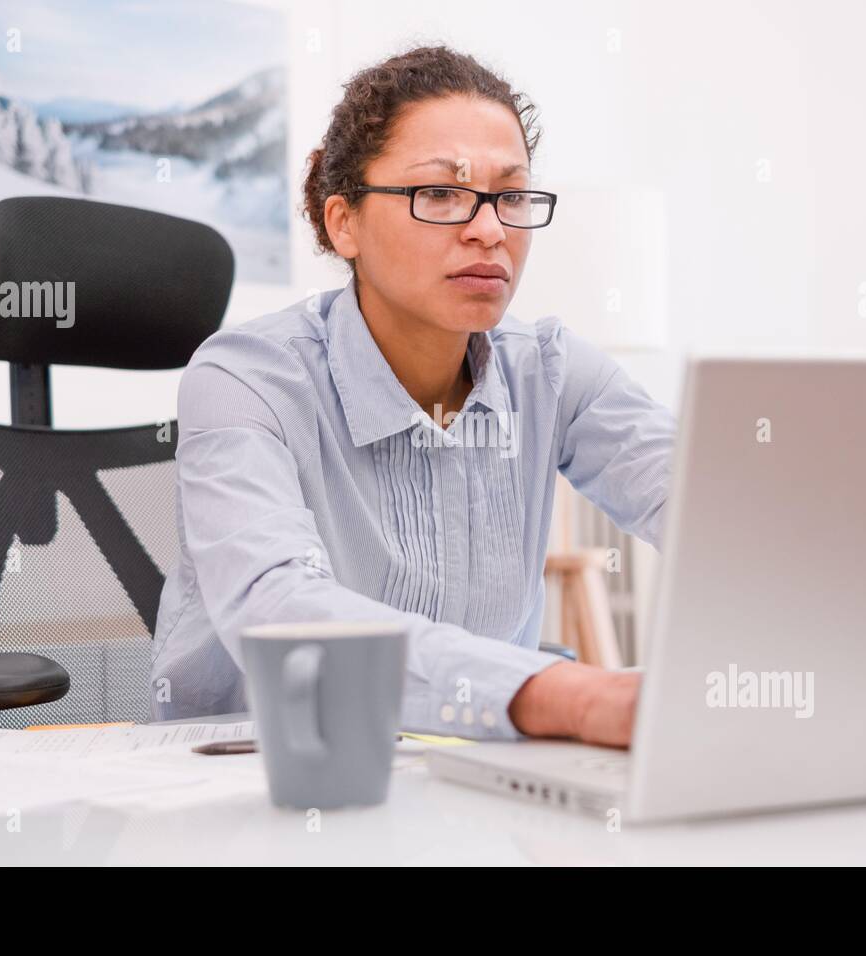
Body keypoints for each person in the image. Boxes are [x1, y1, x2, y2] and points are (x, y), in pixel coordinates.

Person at [150, 44, 675, 747]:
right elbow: (282, 613)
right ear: (344, 222)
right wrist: (564, 696)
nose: (490, 228)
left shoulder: (549, 371)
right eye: (441, 194)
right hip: (263, 778)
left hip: (475, 784)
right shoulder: (246, 381)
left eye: (511, 196)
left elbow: (713, 511)